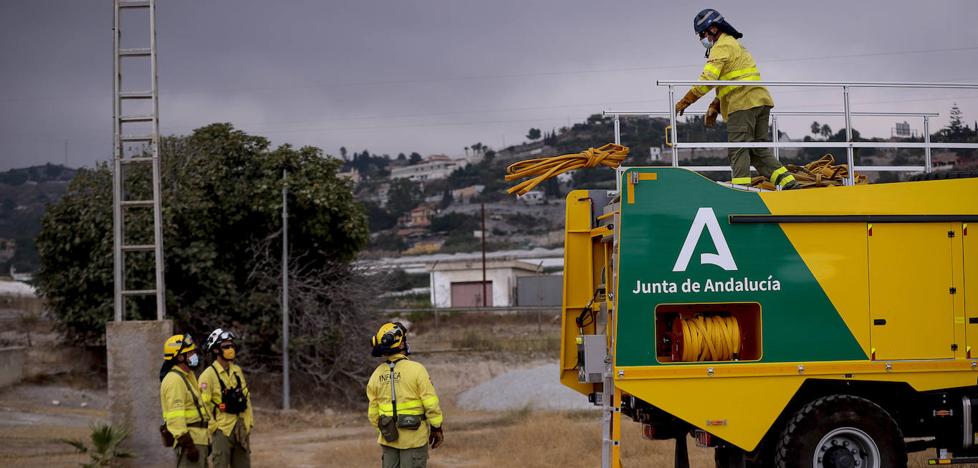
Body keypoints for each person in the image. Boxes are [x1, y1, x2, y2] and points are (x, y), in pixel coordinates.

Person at [675, 8, 799, 190]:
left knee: (738, 149)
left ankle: (741, 193)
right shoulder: (735, 45)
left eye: (703, 34)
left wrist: (685, 101)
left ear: (714, 29)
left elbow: (707, 80)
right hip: (760, 101)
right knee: (758, 151)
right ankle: (791, 185)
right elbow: (731, 81)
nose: (703, 39)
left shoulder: (721, 47)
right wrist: (715, 105)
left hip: (743, 104)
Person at [366, 322, 444, 468]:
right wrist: (436, 428)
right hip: (414, 440)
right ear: (401, 345)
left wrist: (386, 431)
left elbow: (373, 414)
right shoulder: (417, 370)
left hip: (388, 440)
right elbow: (431, 404)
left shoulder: (376, 375)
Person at [199, 328, 253, 468]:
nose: (231, 349)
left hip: (240, 428)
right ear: (216, 350)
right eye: (226, 346)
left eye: (232, 346)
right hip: (222, 431)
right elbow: (203, 406)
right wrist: (214, 428)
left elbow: (247, 399)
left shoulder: (237, 371)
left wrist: (248, 425)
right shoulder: (208, 375)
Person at [160, 334, 210, 468]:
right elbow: (175, 417)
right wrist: (188, 444)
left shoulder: (188, 376)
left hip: (200, 440)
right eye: (191, 352)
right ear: (180, 357)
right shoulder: (174, 380)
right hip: (191, 442)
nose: (194, 355)